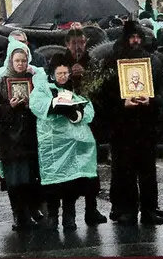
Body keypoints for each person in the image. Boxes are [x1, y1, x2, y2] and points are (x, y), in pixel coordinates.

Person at [97, 20, 163, 225]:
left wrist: (152, 100)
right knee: (124, 170)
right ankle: (126, 209)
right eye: (132, 37)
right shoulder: (112, 61)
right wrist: (122, 102)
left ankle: (149, 209)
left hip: (147, 125)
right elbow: (104, 94)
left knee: (148, 170)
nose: (135, 41)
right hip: (122, 126)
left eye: (138, 37)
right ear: (125, 39)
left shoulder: (153, 61)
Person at [30, 53, 104, 230]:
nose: (63, 77)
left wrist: (76, 113)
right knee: (53, 182)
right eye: (59, 73)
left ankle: (69, 217)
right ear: (52, 73)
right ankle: (53, 217)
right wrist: (55, 107)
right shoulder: (42, 89)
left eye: (65, 73)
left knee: (71, 181)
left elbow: (88, 111)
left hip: (71, 145)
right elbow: (37, 106)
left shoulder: (73, 89)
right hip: (52, 144)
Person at [0, 39, 44, 231]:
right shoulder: (1, 81)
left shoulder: (33, 79)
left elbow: (43, 103)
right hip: (9, 138)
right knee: (15, 179)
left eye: (23, 61)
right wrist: (10, 106)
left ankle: (32, 210)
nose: (20, 64)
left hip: (30, 136)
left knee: (31, 177)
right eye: (17, 60)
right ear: (11, 61)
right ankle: (19, 215)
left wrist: (31, 105)